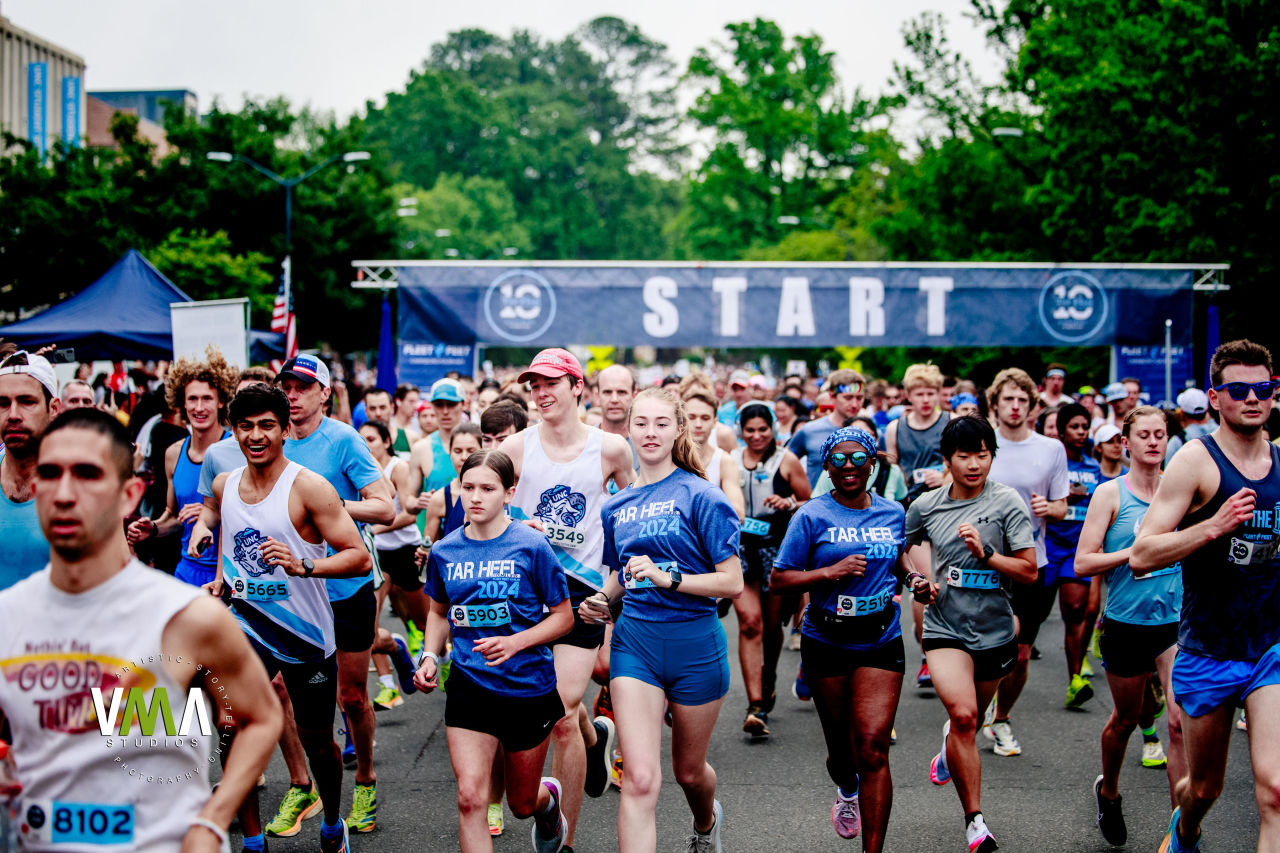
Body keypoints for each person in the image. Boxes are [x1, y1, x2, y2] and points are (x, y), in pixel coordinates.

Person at [0, 407, 282, 852]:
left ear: (129, 493)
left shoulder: (188, 616)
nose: (66, 493)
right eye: (50, 474)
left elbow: (262, 717)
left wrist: (212, 821)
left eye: (88, 474)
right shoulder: (8, 617)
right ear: (34, 489)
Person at [192, 382, 373, 853]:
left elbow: (358, 557)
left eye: (267, 426)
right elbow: (230, 535)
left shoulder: (309, 488)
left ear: (285, 429)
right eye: (247, 426)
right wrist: (220, 579)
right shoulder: (223, 484)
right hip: (246, 624)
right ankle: (252, 839)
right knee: (233, 727)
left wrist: (304, 564)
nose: (256, 436)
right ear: (233, 431)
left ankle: (333, 821)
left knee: (317, 743)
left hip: (305, 634)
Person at [1131, 339, 1280, 853]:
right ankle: (1185, 828)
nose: (1253, 398)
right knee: (1203, 788)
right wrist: (1213, 527)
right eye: (1239, 389)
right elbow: (1142, 554)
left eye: (1263, 388)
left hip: (1270, 649)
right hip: (1209, 649)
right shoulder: (1195, 463)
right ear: (1215, 397)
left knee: (1276, 792)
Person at [580, 386, 743, 853]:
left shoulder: (703, 496)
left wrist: (669, 578)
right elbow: (617, 576)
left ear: (678, 430)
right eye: (641, 423)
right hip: (637, 645)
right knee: (640, 778)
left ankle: (706, 823)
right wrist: (600, 599)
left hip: (696, 645)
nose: (650, 433)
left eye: (661, 423)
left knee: (689, 773)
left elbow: (731, 582)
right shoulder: (616, 504)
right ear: (627, 428)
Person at [500, 348, 634, 851]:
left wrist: (618, 588)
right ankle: (596, 739)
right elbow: (488, 511)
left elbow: (633, 519)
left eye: (552, 382)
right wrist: (516, 524)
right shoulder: (515, 448)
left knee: (560, 714)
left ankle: (565, 841)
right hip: (528, 589)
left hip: (584, 592)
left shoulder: (612, 449)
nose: (541, 392)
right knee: (559, 709)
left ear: (579, 387)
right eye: (534, 384)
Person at [414, 449, 573, 853]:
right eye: (468, 487)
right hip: (470, 683)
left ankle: (547, 802)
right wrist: (430, 657)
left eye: (487, 488)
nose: (476, 497)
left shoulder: (532, 545)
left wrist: (516, 641)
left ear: (509, 493)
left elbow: (563, 617)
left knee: (521, 804)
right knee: (471, 799)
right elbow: (437, 613)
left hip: (527, 687)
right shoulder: (446, 551)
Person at [770, 426, 911, 849]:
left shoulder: (892, 512)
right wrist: (828, 573)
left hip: (881, 637)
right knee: (842, 754)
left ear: (872, 463)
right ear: (827, 467)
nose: (849, 467)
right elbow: (780, 579)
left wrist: (916, 578)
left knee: (872, 748)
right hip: (827, 640)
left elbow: (898, 561)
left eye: (857, 459)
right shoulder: (810, 515)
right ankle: (847, 789)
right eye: (839, 460)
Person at [274, 355, 395, 834]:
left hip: (344, 586)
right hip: (289, 590)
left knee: (351, 696)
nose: (293, 394)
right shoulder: (269, 439)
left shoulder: (343, 439)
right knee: (281, 690)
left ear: (324, 393)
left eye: (303, 386)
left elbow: (386, 508)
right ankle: (301, 784)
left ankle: (364, 778)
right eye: (286, 385)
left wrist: (330, 507)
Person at [906, 416, 1038, 853]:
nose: (974, 464)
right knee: (963, 717)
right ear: (947, 460)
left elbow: (1029, 571)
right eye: (964, 456)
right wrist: (916, 582)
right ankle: (975, 822)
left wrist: (988, 553)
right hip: (944, 626)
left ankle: (950, 751)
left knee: (973, 718)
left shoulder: (1007, 503)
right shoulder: (926, 506)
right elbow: (900, 552)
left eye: (983, 455)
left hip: (995, 631)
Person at [1074, 405, 1185, 846]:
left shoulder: (1181, 492)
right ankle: (1110, 790)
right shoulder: (1110, 494)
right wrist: (1137, 552)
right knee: (1123, 720)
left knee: (1177, 721)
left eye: (1160, 434)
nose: (1154, 441)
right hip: (1124, 623)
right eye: (1144, 435)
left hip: (1174, 623)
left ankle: (1182, 824)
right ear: (1126, 443)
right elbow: (1083, 562)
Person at [984, 367, 1068, 756]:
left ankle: (1001, 719)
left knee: (1019, 652)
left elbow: (1063, 507)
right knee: (982, 647)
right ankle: (975, 709)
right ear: (995, 404)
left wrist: (1048, 507)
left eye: (1022, 400)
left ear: (1033, 405)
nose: (1015, 407)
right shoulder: (983, 445)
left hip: (1035, 562)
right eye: (1008, 400)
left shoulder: (1050, 449)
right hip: (983, 564)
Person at [730, 402, 810, 738]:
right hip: (741, 551)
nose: (757, 436)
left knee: (773, 624)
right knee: (750, 623)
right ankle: (756, 704)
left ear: (773, 428)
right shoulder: (729, 460)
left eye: (763, 429)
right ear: (741, 431)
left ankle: (770, 676)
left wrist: (789, 502)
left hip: (777, 552)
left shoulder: (786, 460)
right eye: (750, 430)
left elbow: (813, 502)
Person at [127, 348, 237, 587]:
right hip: (186, 570)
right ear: (181, 404)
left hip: (227, 575)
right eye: (192, 399)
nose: (199, 407)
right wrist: (153, 528)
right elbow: (175, 516)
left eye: (207, 398)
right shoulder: (174, 453)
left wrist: (210, 513)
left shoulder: (237, 450)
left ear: (220, 401)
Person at [358, 419, 427, 710]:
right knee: (368, 628)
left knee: (424, 621)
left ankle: (442, 658)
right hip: (378, 557)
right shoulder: (357, 469)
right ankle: (388, 687)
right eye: (362, 440)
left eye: (372, 439)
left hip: (406, 550)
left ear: (387, 442)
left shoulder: (397, 468)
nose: (367, 445)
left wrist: (374, 529)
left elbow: (410, 516)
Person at [1044, 402, 1104, 708]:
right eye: (1074, 427)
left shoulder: (1095, 467)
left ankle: (1075, 680)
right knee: (1033, 618)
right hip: (1047, 544)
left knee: (1076, 609)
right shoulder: (1050, 463)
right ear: (1062, 430)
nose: (1081, 433)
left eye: (1084, 427)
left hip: (1077, 547)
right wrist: (1065, 492)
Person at [0, 348, 59, 591]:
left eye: (27, 402)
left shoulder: (87, 486)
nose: (13, 415)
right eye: (3, 403)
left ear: (53, 409)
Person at [406, 378, 469, 536]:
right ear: (431, 406)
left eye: (451, 404)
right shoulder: (421, 448)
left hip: (473, 533)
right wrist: (419, 502)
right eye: (439, 405)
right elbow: (408, 501)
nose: (445, 411)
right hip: (435, 535)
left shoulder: (479, 442)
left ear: (463, 404)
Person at [789, 370, 866, 486]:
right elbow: (786, 464)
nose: (855, 404)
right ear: (832, 396)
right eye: (848, 398)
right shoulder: (810, 430)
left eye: (859, 398)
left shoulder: (869, 432)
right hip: (817, 501)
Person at [682, 387, 745, 520]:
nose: (698, 424)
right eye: (691, 417)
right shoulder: (667, 457)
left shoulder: (724, 461)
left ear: (715, 421)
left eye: (705, 418)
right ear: (682, 419)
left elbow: (738, 514)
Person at [422, 423, 483, 543]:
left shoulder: (498, 491)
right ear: (450, 453)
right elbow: (428, 549)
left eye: (471, 450)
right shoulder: (439, 499)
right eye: (458, 451)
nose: (464, 457)